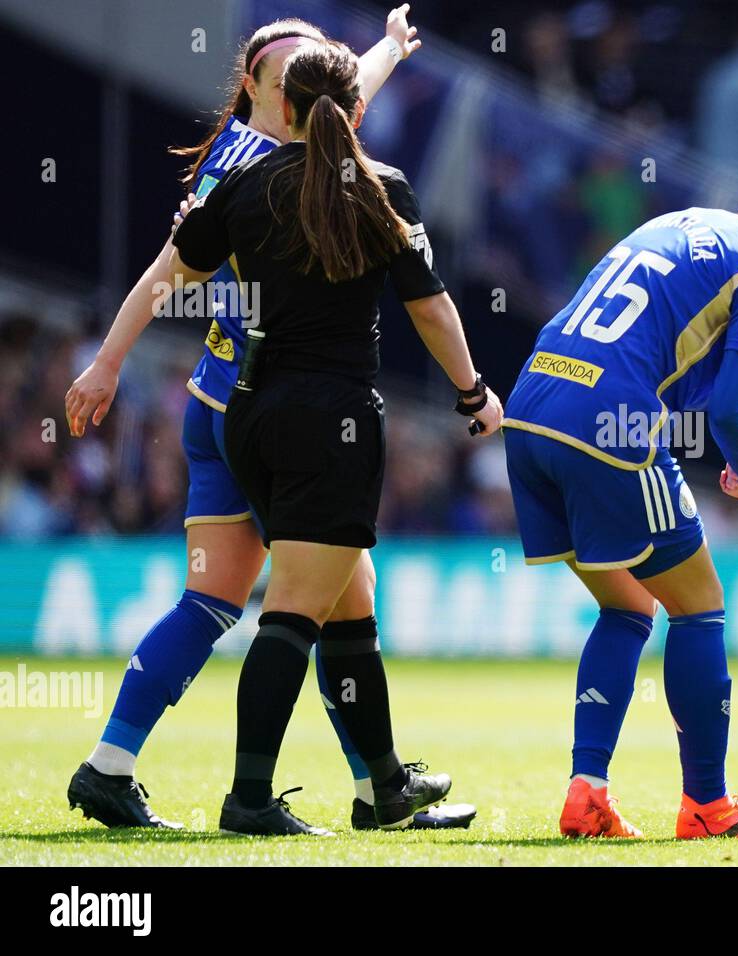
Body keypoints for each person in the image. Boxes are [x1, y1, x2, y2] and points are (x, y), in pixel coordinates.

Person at [64, 10, 472, 833]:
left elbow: (342, 90)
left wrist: (390, 47)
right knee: (318, 603)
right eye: (287, 68)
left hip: (223, 402)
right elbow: (167, 271)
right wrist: (108, 361)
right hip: (268, 405)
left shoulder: (259, 150)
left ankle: (112, 762)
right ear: (257, 88)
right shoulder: (270, 166)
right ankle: (352, 787)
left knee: (249, 600)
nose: (308, 82)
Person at [168, 39, 501, 834]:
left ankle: (384, 786)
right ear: (357, 112)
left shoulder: (246, 183)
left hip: (250, 412)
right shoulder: (379, 189)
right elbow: (429, 305)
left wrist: (195, 223)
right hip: (332, 422)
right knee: (291, 616)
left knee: (350, 608)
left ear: (282, 105)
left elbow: (181, 264)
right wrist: (473, 392)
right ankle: (248, 800)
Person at [502, 153, 738, 838]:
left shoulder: (687, 223)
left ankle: (587, 792)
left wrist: (718, 399)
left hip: (532, 409)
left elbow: (653, 353)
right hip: (606, 424)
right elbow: (727, 413)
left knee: (627, 607)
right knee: (700, 604)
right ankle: (709, 808)